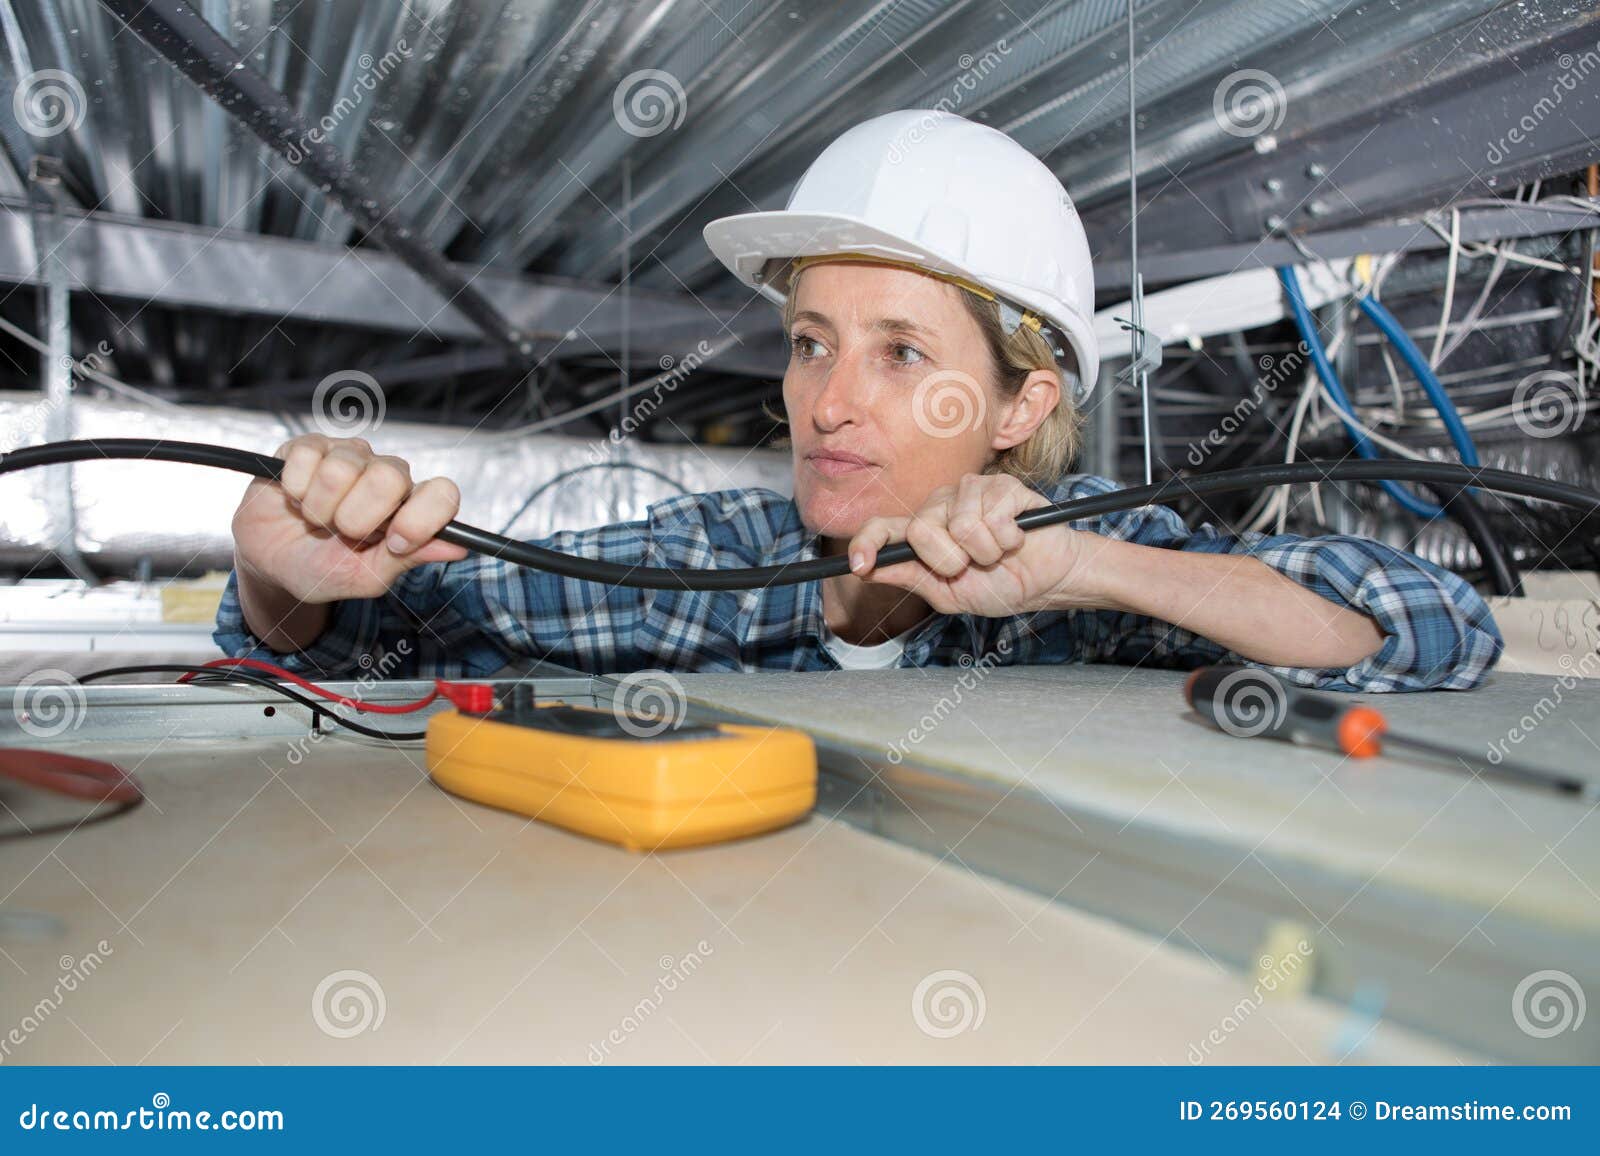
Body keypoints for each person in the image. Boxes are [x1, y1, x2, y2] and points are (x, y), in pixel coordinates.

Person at [216, 110, 1501, 692]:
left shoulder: (1093, 556)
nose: (827, 402)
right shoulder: (709, 563)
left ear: (1018, 405)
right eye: (811, 342)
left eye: (900, 355)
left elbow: (1428, 624)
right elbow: (389, 644)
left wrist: (1097, 577)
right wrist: (288, 579)